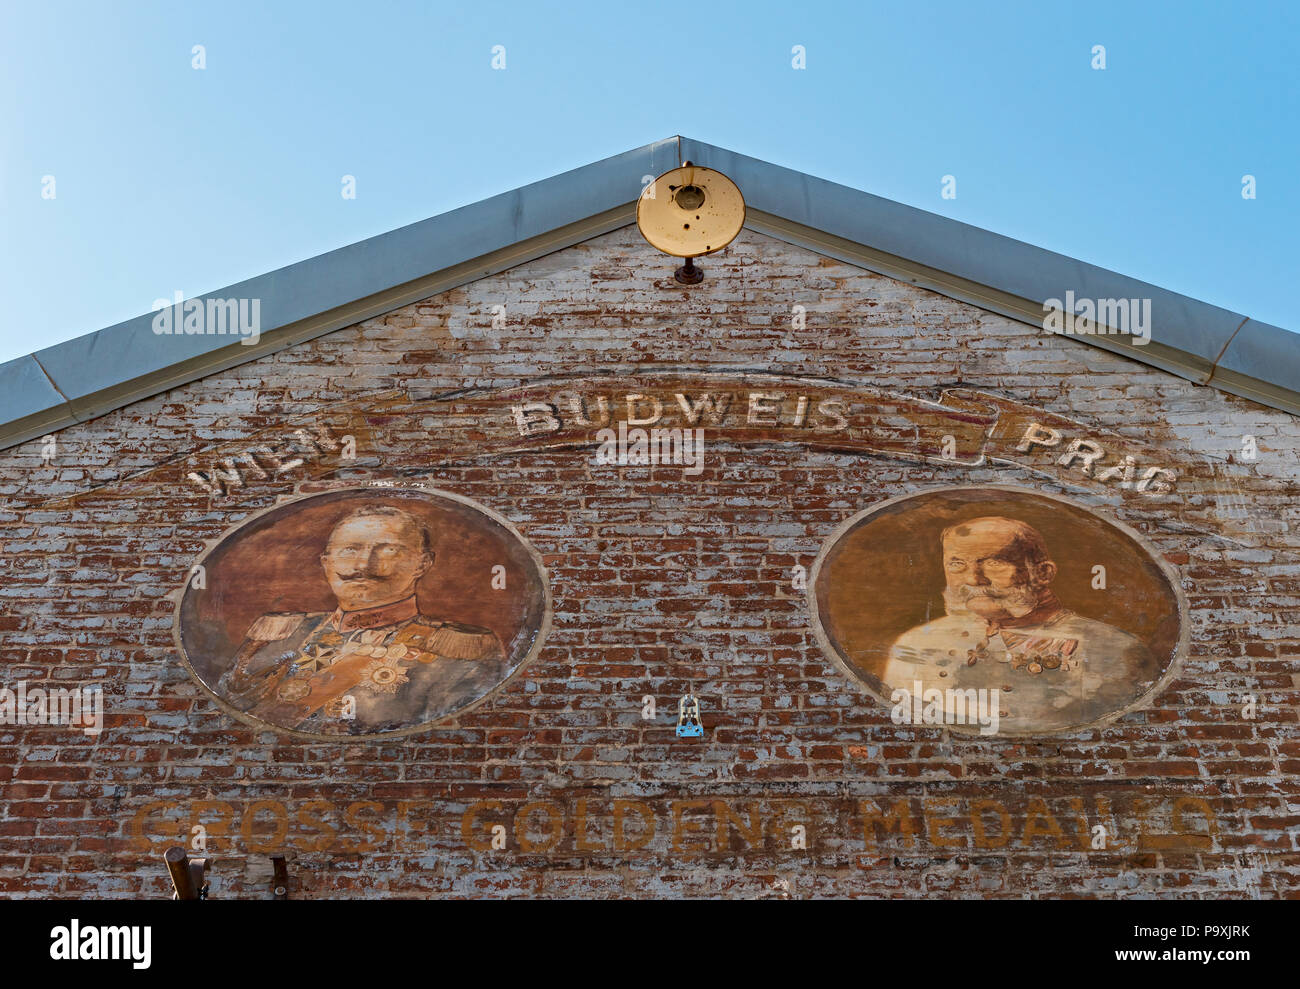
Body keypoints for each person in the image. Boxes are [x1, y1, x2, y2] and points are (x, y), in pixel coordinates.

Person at [217, 505, 507, 733]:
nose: (362, 565)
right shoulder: (280, 633)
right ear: (326, 563)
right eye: (349, 550)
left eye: (388, 550)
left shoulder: (459, 651)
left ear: (424, 562)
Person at [883, 516, 1159, 730]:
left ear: (1042, 573)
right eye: (957, 564)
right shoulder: (914, 644)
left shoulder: (1115, 650)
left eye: (994, 563)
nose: (973, 579)